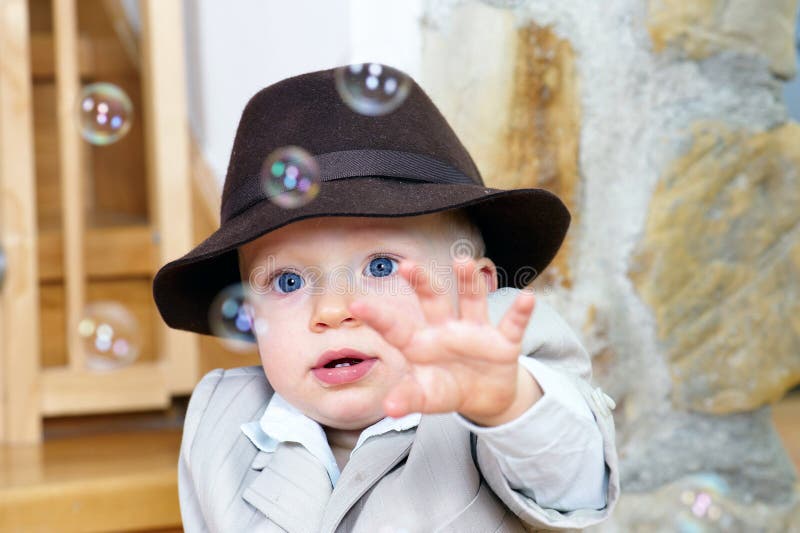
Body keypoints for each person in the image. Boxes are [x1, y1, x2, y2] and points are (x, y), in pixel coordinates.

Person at [152, 66, 619, 532]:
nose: (332, 311)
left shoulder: (499, 384)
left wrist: (506, 404)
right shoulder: (220, 426)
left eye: (380, 267)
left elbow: (573, 487)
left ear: (471, 289)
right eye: (288, 282)